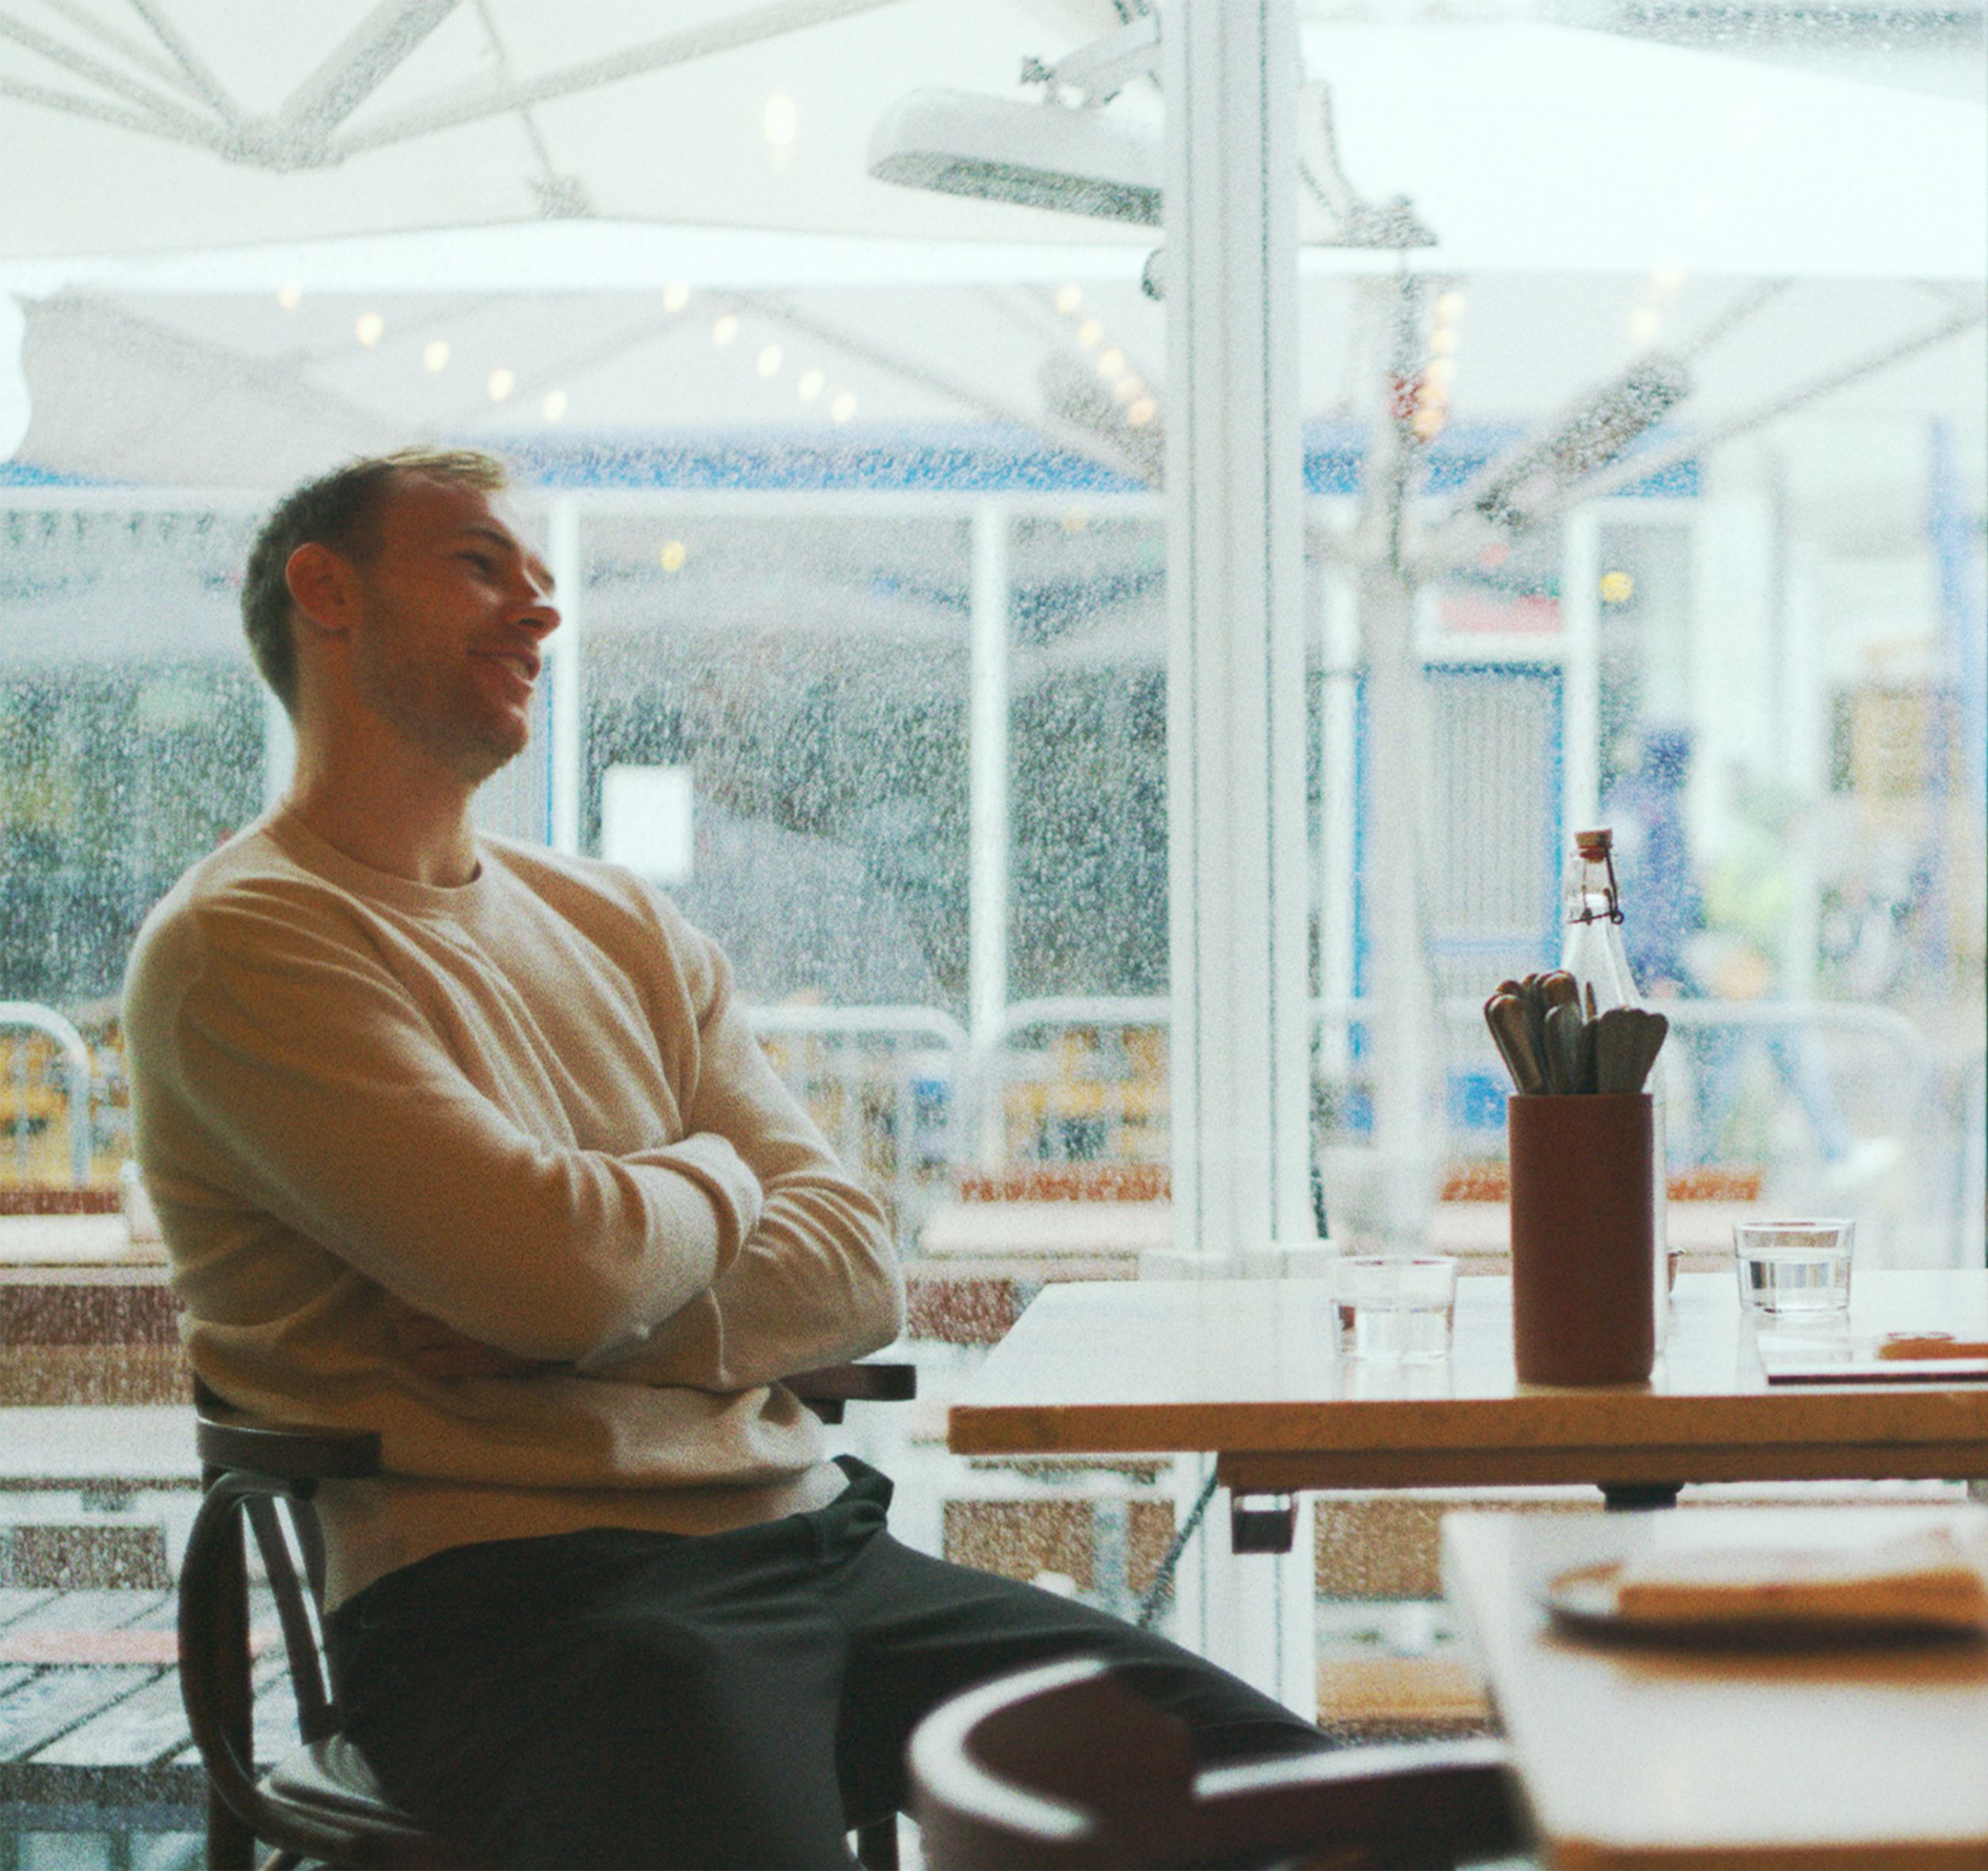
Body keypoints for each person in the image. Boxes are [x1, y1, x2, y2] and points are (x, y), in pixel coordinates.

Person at [121, 448, 1324, 1868]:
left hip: (819, 1551)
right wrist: (712, 1179)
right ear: (325, 590)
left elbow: (856, 1263)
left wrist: (600, 1302)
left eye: (542, 582)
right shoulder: (245, 944)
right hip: (518, 1610)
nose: (537, 611)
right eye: (480, 564)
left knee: (1309, 1809)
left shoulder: (616, 921)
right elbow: (559, 1267)